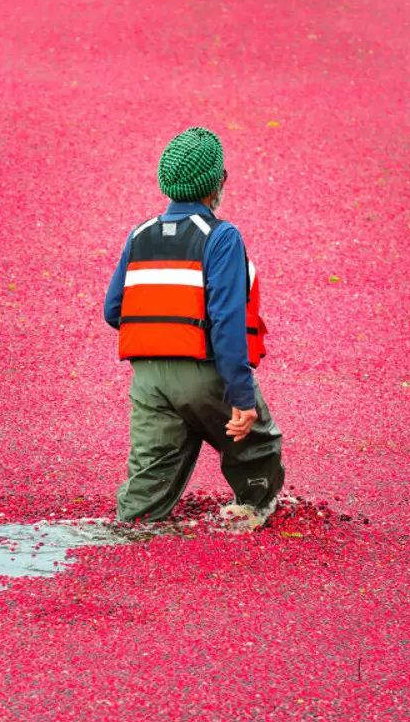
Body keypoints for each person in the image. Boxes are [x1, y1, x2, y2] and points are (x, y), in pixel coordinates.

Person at [103, 127, 284, 529]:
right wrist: (241, 398)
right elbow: (226, 322)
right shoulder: (222, 237)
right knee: (256, 446)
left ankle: (127, 537)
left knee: (148, 481)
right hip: (207, 373)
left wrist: (159, 333)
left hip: (148, 380)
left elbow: (114, 310)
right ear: (218, 182)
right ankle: (250, 515)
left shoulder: (140, 234)